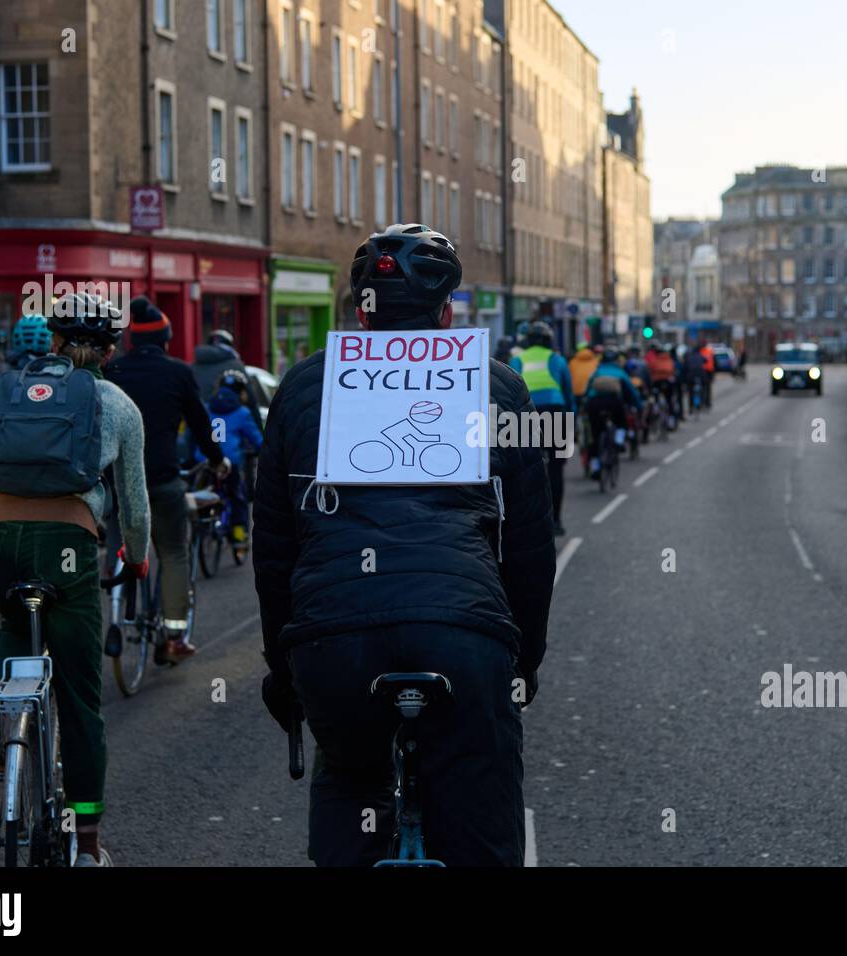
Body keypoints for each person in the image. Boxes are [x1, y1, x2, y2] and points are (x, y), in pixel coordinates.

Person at [254, 223, 556, 867]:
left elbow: (275, 547)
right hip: (463, 630)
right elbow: (529, 543)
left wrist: (285, 668)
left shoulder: (303, 386)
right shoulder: (501, 387)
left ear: (360, 308)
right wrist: (523, 657)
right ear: (447, 310)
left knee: (352, 777)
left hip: (331, 638)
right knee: (480, 794)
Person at [0, 292, 150, 868]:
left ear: (51, 340)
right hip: (68, 547)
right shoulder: (118, 404)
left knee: (10, 625)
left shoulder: (11, 390)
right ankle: (88, 842)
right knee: (79, 698)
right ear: (109, 349)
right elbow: (136, 506)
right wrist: (139, 556)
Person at [105, 298, 228, 662]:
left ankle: (118, 610)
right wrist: (218, 461)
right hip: (161, 479)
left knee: (118, 544)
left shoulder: (112, 372)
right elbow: (201, 426)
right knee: (174, 551)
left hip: (118, 483)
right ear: (166, 339)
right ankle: (174, 635)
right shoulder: (178, 373)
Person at [510, 320, 574, 536]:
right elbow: (568, 391)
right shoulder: (557, 360)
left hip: (527, 412)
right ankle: (556, 521)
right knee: (557, 469)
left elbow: (512, 389)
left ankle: (526, 521)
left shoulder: (518, 359)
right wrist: (571, 419)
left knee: (524, 468)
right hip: (555, 411)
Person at [196, 368, 263, 548]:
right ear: (242, 391)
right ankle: (239, 535)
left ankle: (200, 528)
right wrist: (262, 450)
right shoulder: (242, 413)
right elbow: (257, 440)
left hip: (204, 460)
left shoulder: (206, 407)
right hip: (229, 463)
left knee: (201, 493)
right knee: (237, 496)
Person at [584, 347, 642, 477]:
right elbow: (631, 392)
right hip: (613, 402)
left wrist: (584, 404)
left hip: (595, 403)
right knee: (621, 421)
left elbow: (587, 390)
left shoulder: (597, 371)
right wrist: (638, 406)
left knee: (595, 435)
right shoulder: (620, 372)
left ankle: (595, 467)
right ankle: (619, 441)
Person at [193, 327, 251, 404]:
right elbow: (249, 396)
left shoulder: (192, 367)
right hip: (229, 414)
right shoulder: (236, 365)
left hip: (197, 414)